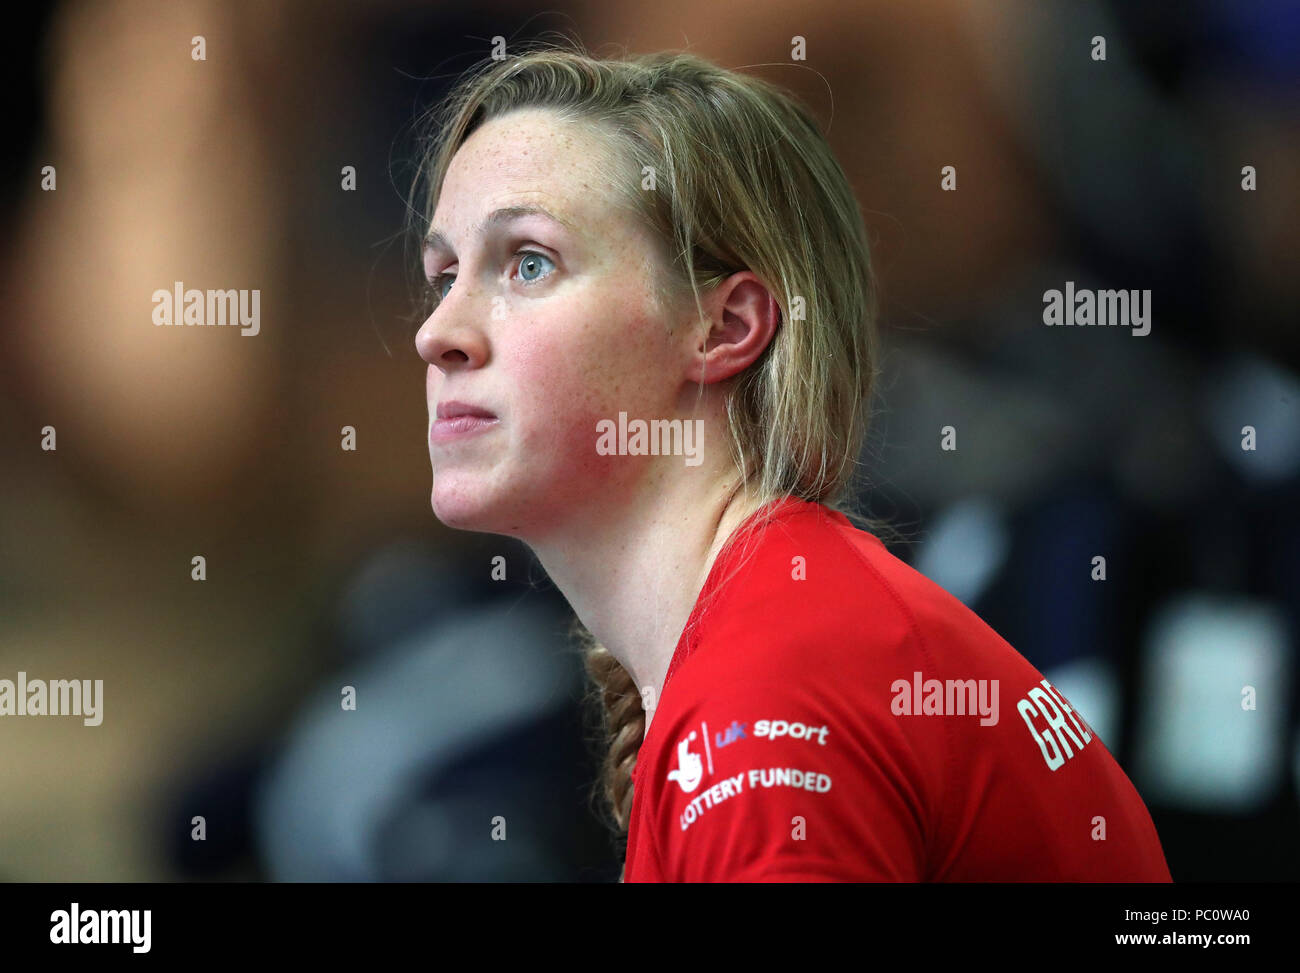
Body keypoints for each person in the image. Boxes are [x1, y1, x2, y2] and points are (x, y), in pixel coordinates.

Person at [410, 42, 1172, 882]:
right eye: (444, 274)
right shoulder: (772, 640)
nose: (438, 331)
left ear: (725, 327)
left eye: (528, 262)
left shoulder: (769, 693)